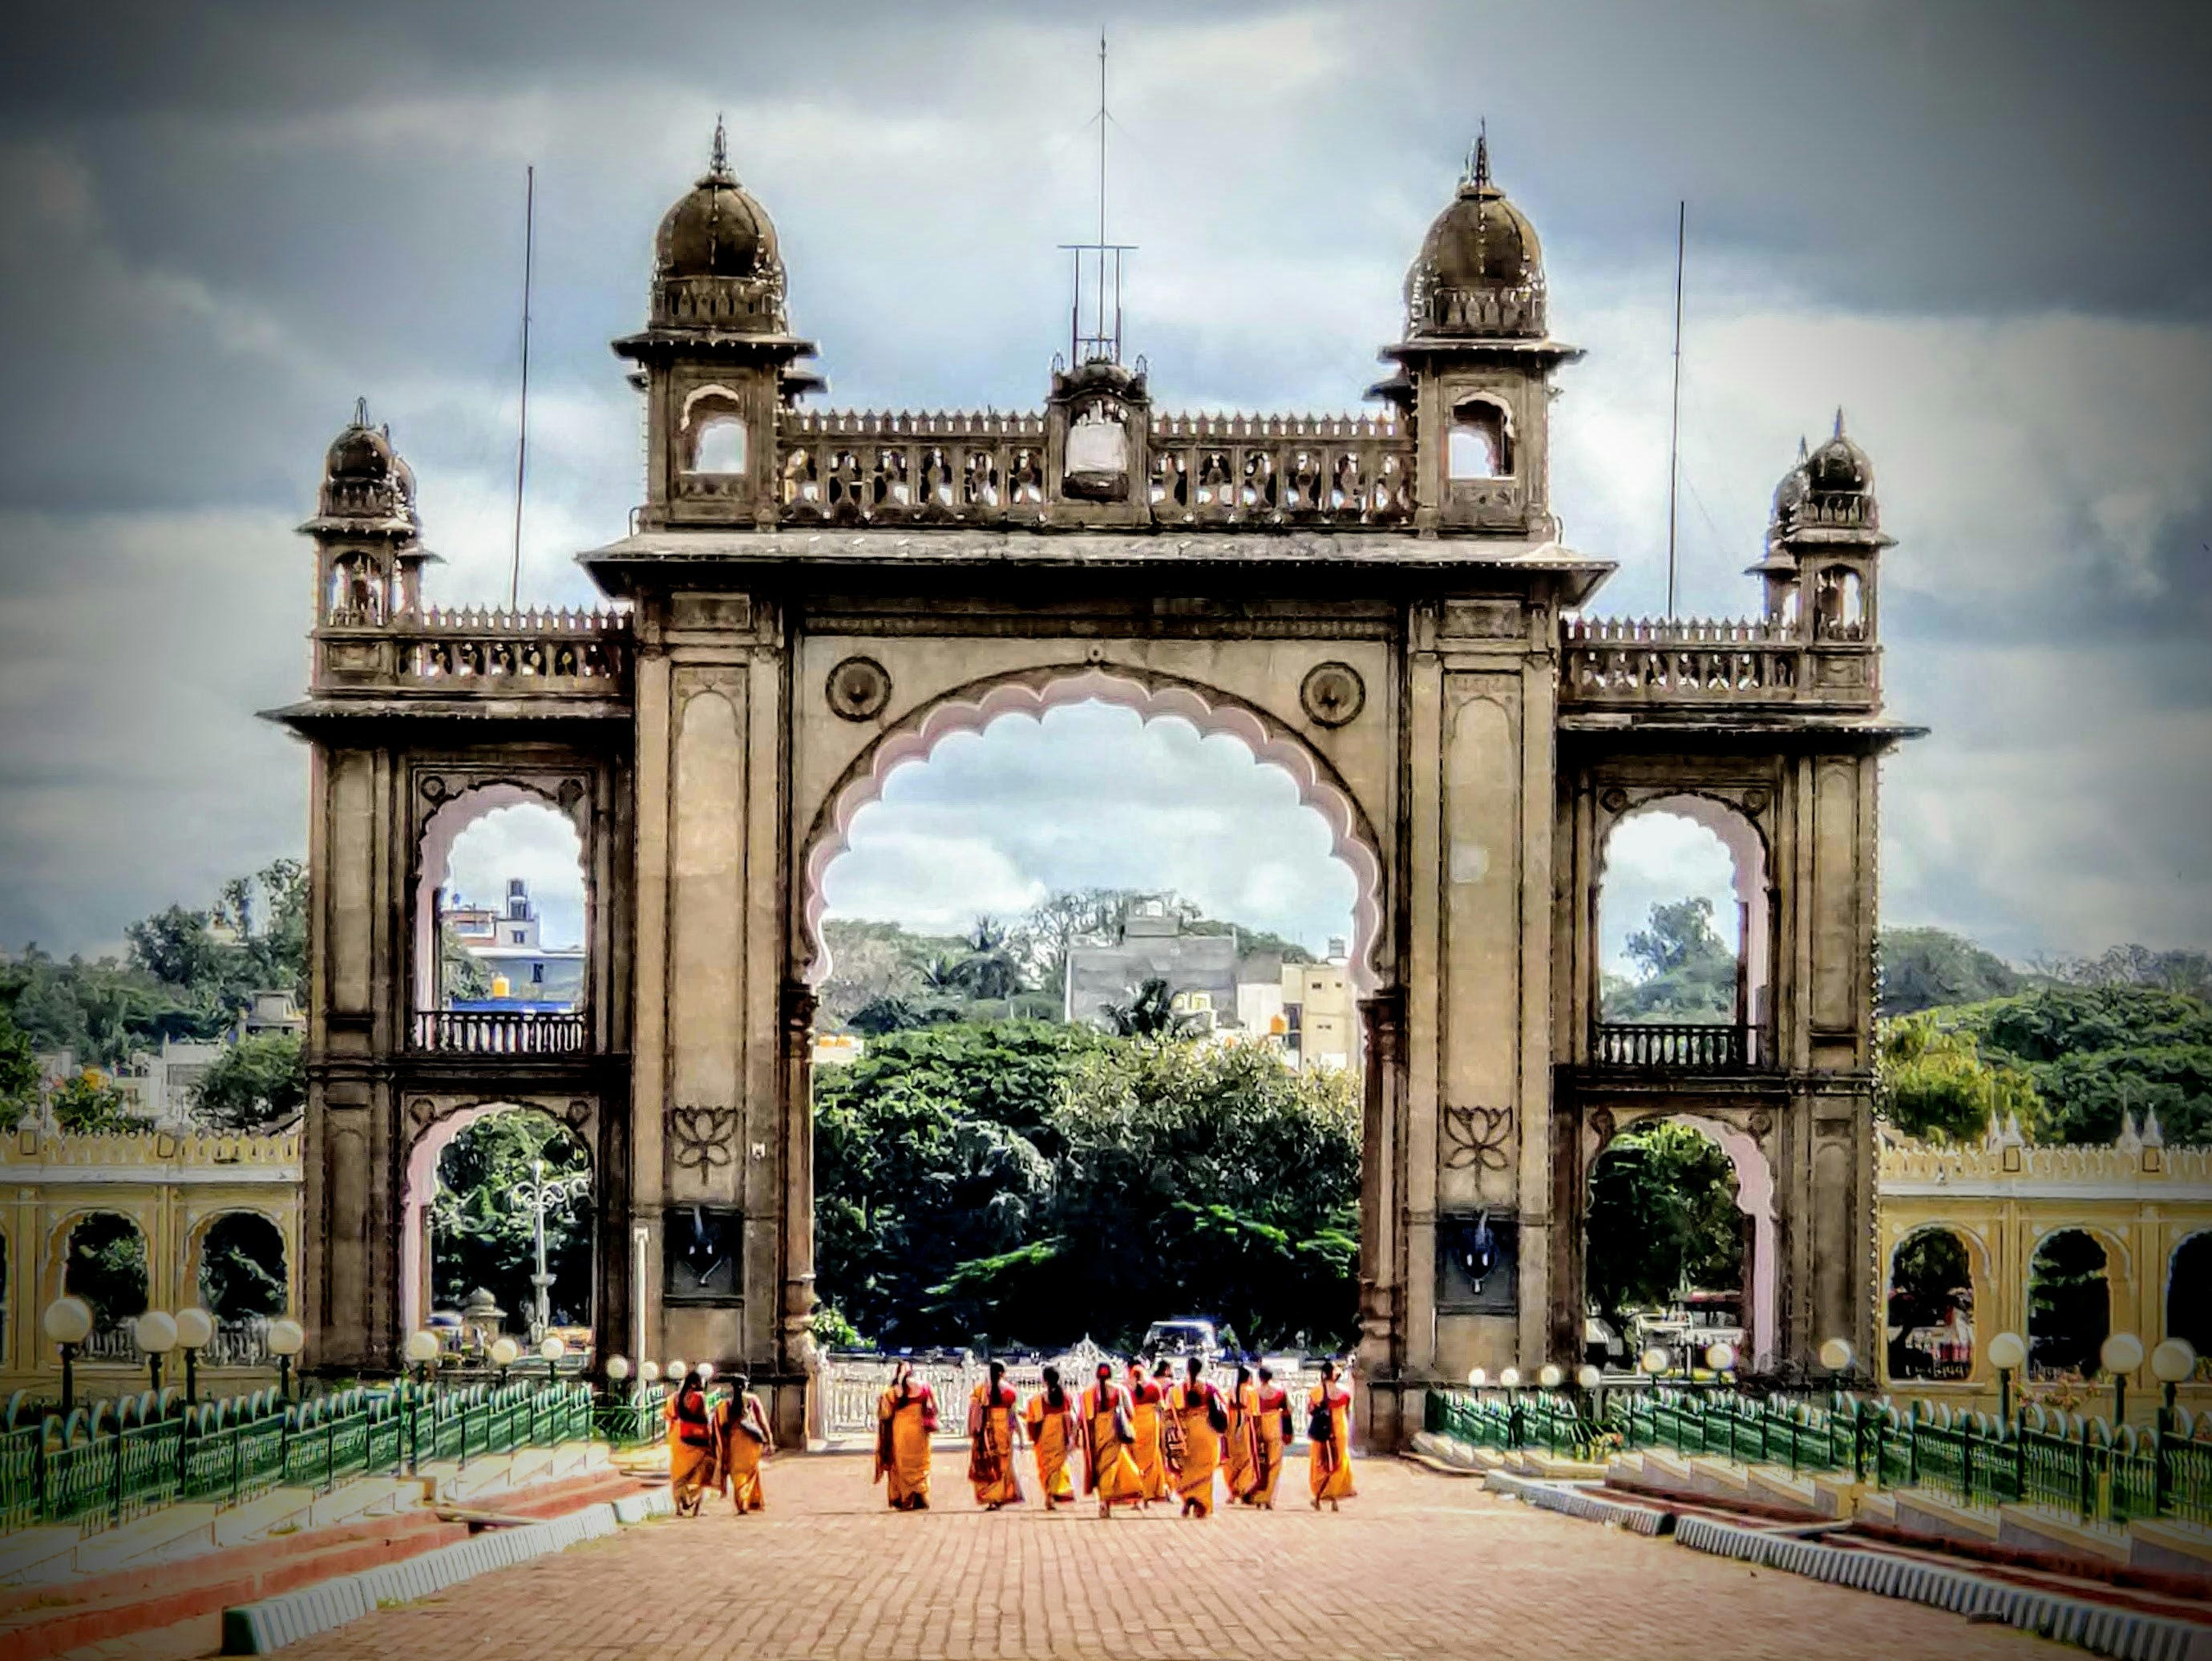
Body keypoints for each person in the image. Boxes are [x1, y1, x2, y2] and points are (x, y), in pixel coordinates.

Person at [1082, 1361, 1146, 1518]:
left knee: (1102, 1469)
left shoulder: (1089, 1393)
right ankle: (1105, 1501)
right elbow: (1131, 1413)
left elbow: (1085, 1419)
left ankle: (1104, 1501)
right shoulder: (1119, 1390)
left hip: (1097, 1436)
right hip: (1114, 1435)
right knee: (1111, 1468)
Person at [875, 1360, 938, 1510]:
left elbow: (885, 1414)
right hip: (920, 1431)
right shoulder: (925, 1387)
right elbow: (936, 1408)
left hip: (901, 1431)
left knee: (901, 1463)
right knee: (921, 1463)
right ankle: (920, 1496)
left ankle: (905, 1497)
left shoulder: (891, 1392)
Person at [1171, 1356, 1227, 1518]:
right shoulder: (1209, 1387)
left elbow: (1170, 1412)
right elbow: (1223, 1407)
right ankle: (1201, 1504)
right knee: (1207, 1467)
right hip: (1206, 1431)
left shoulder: (1177, 1390)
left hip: (1186, 1433)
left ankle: (1188, 1498)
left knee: (1188, 1467)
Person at [968, 1360, 1023, 1509]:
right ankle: (1001, 1495)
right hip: (1004, 1432)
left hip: (986, 1433)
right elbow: (1013, 1416)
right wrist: (1021, 1436)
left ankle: (991, 1497)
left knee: (988, 1465)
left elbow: (973, 1413)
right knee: (1003, 1465)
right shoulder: (1010, 1392)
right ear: (1002, 1373)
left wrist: (972, 1431)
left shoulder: (981, 1391)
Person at [664, 1367, 718, 1518]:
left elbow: (667, 1416)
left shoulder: (673, 1398)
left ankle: (679, 1508)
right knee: (701, 1473)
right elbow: (705, 1418)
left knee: (679, 1474)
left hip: (677, 1436)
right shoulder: (700, 1397)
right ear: (695, 1383)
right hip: (697, 1439)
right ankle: (695, 1508)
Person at [1023, 1365, 1079, 1510]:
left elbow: (1031, 1422)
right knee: (1058, 1467)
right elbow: (1072, 1419)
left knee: (1046, 1469)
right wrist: (1072, 1438)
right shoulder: (1066, 1398)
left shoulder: (1036, 1401)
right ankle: (1052, 1494)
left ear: (1044, 1380)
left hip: (1044, 1439)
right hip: (1060, 1439)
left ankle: (1049, 1495)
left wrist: (1032, 1437)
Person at [715, 1372, 773, 1513]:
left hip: (735, 1442)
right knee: (751, 1471)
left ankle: (742, 1501)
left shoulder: (725, 1404)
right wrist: (769, 1439)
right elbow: (762, 1421)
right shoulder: (752, 1400)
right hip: (751, 1442)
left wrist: (722, 1447)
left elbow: (722, 1427)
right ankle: (748, 1499)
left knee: (737, 1472)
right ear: (746, 1385)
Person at [1307, 1357, 1356, 1511]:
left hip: (1322, 1432)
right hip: (1340, 1430)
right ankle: (1334, 1497)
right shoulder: (1345, 1393)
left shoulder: (1315, 1392)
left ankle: (1319, 1497)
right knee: (1339, 1463)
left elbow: (1310, 1410)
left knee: (1321, 1464)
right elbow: (1347, 1412)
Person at [1246, 1364, 1292, 1509]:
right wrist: (1288, 1432)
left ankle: (1259, 1496)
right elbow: (1287, 1412)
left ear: (1260, 1378)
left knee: (1261, 1464)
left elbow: (1250, 1414)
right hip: (1275, 1429)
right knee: (1274, 1465)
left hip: (1259, 1430)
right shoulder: (1280, 1391)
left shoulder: (1254, 1393)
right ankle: (1268, 1498)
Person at [1125, 1360, 1168, 1504]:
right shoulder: (1154, 1386)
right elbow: (1162, 1407)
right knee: (1151, 1457)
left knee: (1133, 1458)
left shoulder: (1126, 1388)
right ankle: (1149, 1492)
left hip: (1133, 1424)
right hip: (1150, 1424)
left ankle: (1136, 1490)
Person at [1223, 1363, 1259, 1502]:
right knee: (1247, 1460)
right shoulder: (1251, 1392)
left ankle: (1232, 1492)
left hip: (1231, 1429)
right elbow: (1251, 1413)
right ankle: (1243, 1488)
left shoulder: (1230, 1391)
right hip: (1245, 1429)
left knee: (1232, 1461)